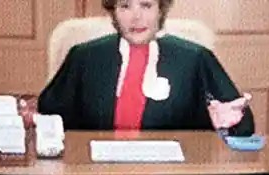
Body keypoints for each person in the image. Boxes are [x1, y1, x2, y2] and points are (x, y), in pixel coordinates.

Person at [37, 0, 255, 137]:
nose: (136, 16)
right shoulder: (83, 57)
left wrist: (226, 126)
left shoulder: (195, 58)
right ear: (114, 12)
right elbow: (50, 115)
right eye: (125, 6)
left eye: (146, 5)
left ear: (161, 10)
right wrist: (30, 118)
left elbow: (243, 124)